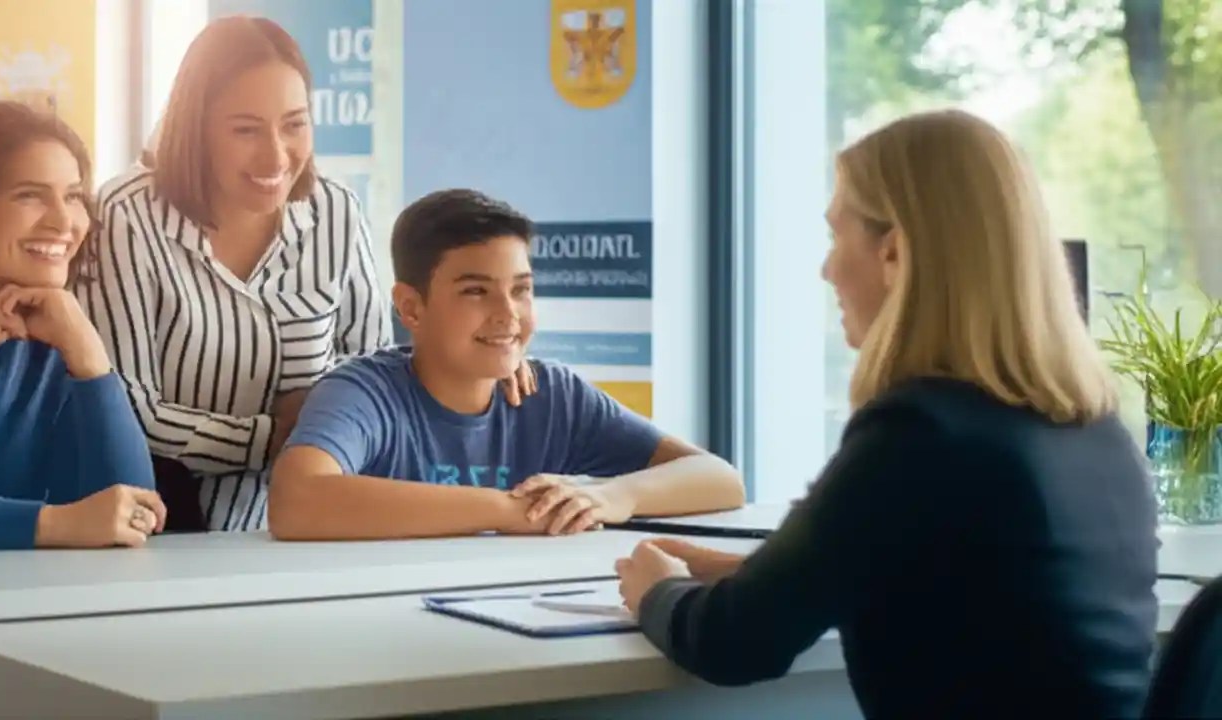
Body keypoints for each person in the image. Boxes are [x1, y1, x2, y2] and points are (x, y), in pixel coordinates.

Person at [615, 109, 1159, 717]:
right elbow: (971, 588)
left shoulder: (920, 435)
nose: (826, 270)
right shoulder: (1099, 433)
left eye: (834, 236)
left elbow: (735, 643)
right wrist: (767, 573)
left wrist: (655, 591)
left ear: (895, 253)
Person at [78, 16, 531, 532]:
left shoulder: (335, 212)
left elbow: (377, 377)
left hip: (313, 534)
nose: (276, 154)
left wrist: (476, 360)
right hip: (160, 530)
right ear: (194, 126)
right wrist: (276, 438)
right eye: (245, 130)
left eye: (295, 124)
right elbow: (125, 411)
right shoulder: (124, 215)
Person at [267, 189, 745, 540]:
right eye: (475, 291)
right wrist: (504, 509)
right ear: (411, 308)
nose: (507, 313)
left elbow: (720, 479)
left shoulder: (552, 396)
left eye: (521, 289)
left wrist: (614, 496)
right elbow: (297, 501)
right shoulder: (363, 393)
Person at [0, 101, 164, 550]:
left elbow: (131, 513)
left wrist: (90, 357)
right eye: (29, 195)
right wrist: (52, 525)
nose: (64, 222)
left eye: (73, 196)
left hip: (13, 612)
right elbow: (80, 520)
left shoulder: (51, 347)